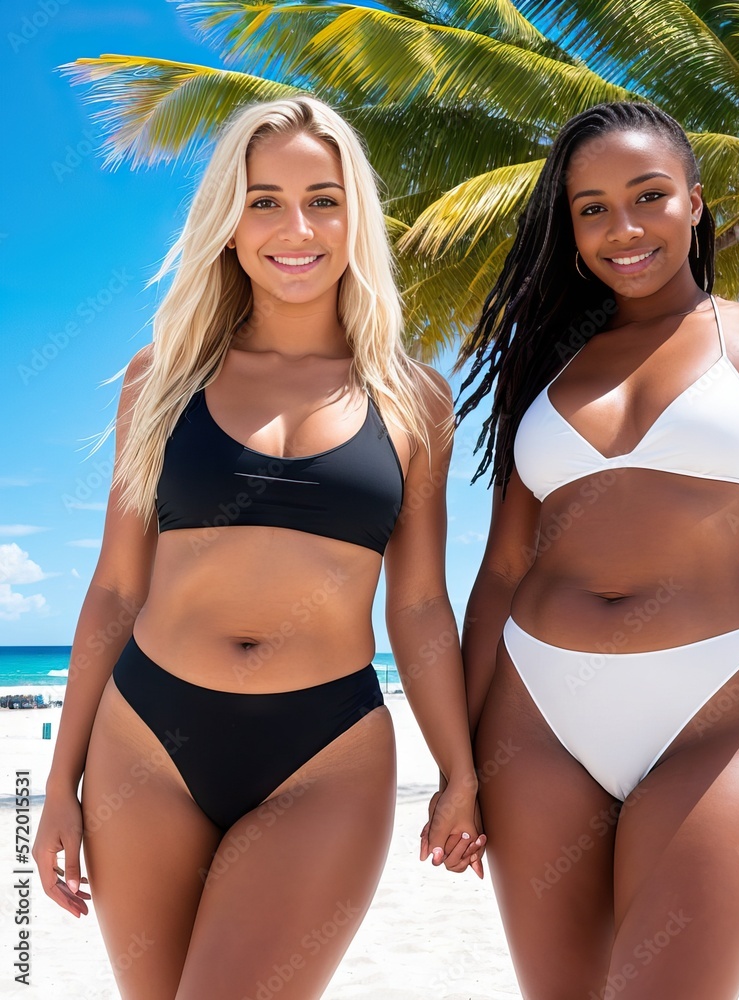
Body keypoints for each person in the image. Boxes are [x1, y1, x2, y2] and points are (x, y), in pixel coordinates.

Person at [32, 95, 483, 999]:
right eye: (264, 200)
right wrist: (58, 785)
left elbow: (420, 604)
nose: (296, 228)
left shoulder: (413, 398)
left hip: (326, 755)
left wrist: (459, 771)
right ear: (228, 224)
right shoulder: (162, 379)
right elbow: (117, 588)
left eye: (323, 200)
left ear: (356, 217)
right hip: (145, 743)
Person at [456, 102, 739, 999]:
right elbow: (502, 570)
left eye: (648, 196)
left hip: (713, 710)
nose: (624, 229)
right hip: (534, 716)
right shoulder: (543, 361)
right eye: (592, 209)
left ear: (695, 202)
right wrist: (458, 764)